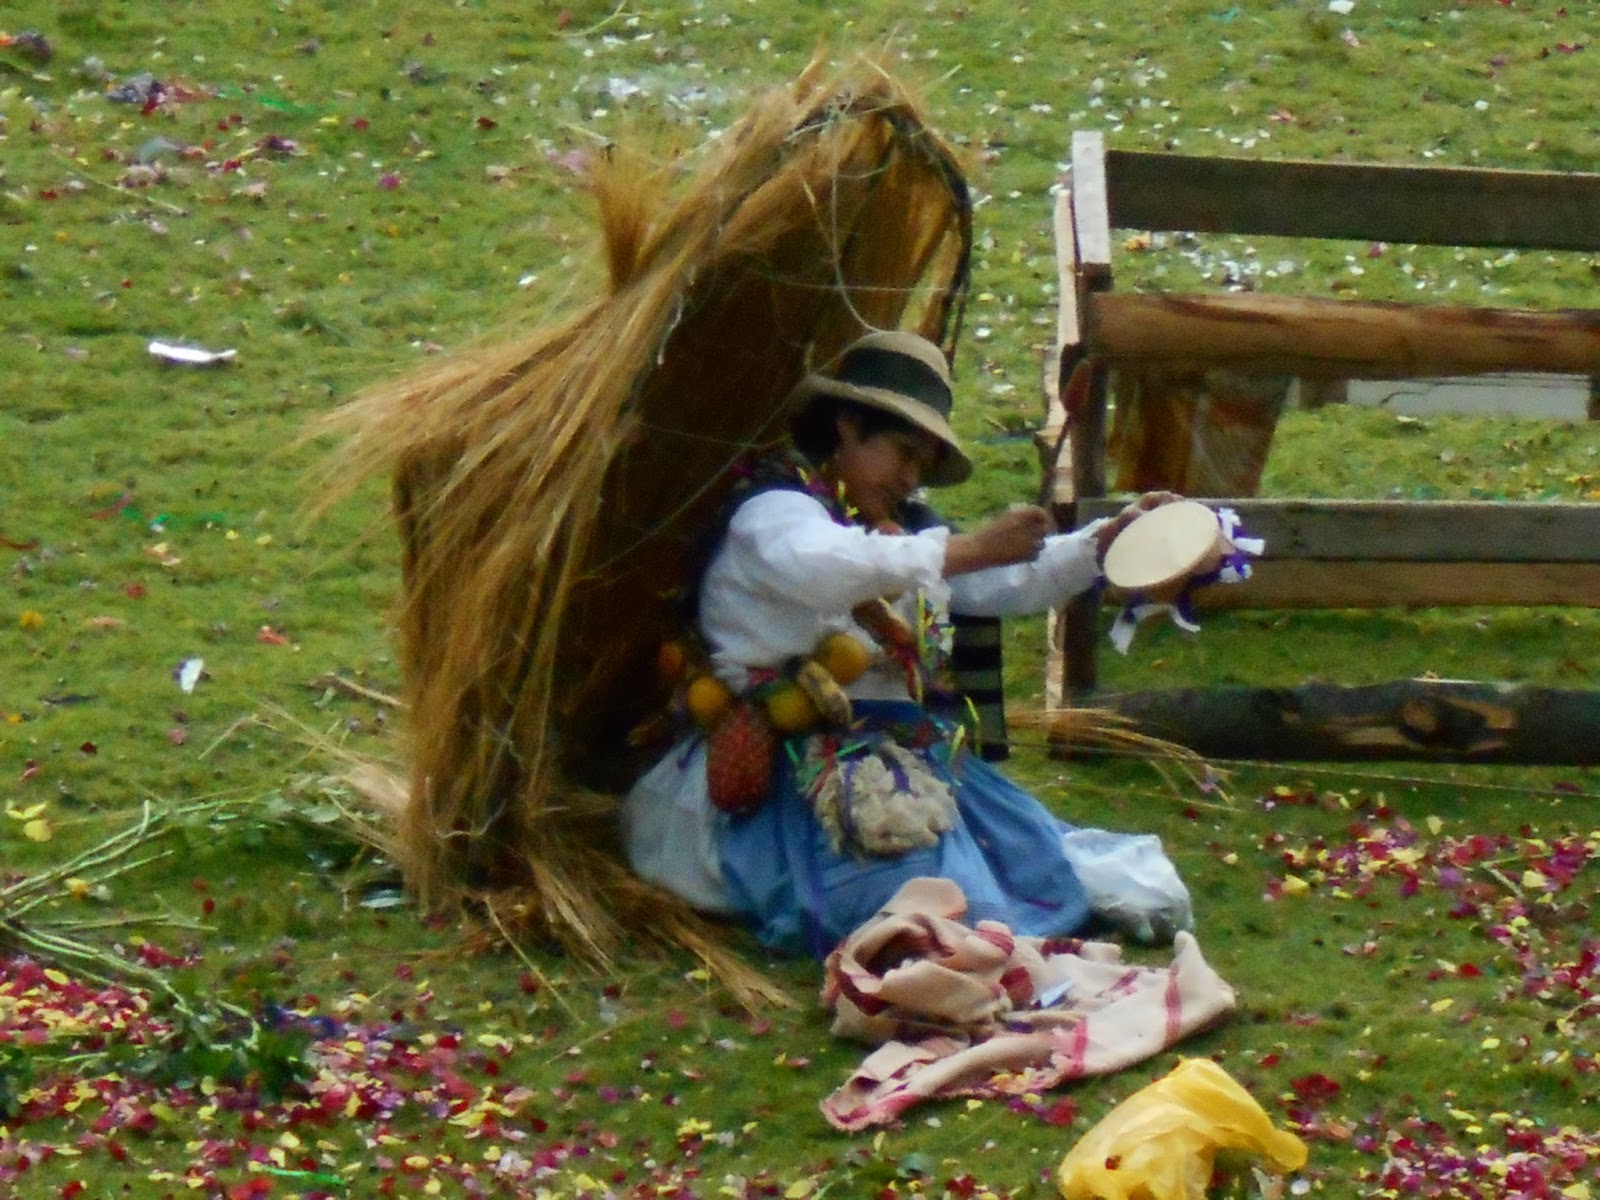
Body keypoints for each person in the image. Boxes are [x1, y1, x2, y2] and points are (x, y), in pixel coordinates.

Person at [621, 329, 1187, 957]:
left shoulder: (901, 534)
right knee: (943, 914)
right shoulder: (775, 512)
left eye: (921, 464)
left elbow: (1003, 579)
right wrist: (965, 549)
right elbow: (822, 566)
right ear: (844, 428)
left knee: (1025, 868)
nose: (909, 477)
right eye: (901, 451)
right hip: (790, 770)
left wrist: (1102, 543)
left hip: (898, 760)